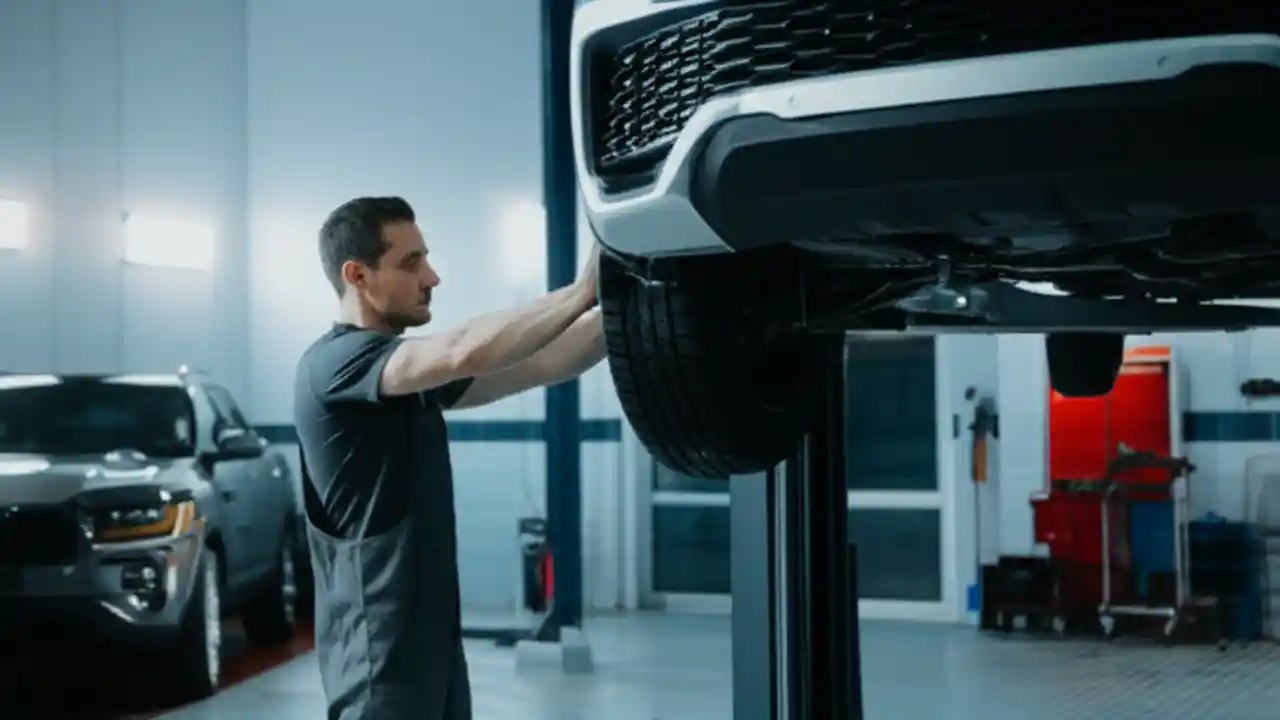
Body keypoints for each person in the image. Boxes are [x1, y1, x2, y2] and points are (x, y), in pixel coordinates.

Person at [292, 196, 605, 720]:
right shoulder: (334, 366)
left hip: (431, 652)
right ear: (358, 275)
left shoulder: (407, 382)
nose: (432, 277)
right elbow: (461, 349)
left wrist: (622, 307)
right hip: (378, 665)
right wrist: (580, 293)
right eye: (411, 263)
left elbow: (543, 362)